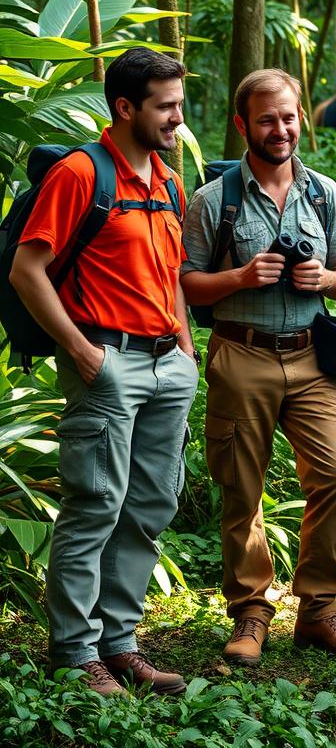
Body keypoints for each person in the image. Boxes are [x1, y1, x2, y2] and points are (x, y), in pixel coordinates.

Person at [10, 49, 199, 696]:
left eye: (178, 104)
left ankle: (120, 644)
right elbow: (27, 271)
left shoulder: (167, 182)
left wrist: (185, 346)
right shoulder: (80, 173)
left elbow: (171, 273)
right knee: (95, 505)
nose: (178, 118)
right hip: (106, 360)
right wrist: (81, 350)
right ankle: (75, 651)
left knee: (148, 506)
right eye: (166, 107)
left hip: (166, 364)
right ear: (125, 107)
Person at [181, 69, 336, 666]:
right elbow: (186, 284)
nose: (281, 129)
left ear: (301, 118)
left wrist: (326, 279)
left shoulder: (323, 194)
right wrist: (241, 277)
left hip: (311, 357)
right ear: (243, 125)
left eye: (288, 117)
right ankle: (250, 612)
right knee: (242, 487)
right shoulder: (214, 200)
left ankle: (318, 610)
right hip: (241, 352)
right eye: (267, 119)